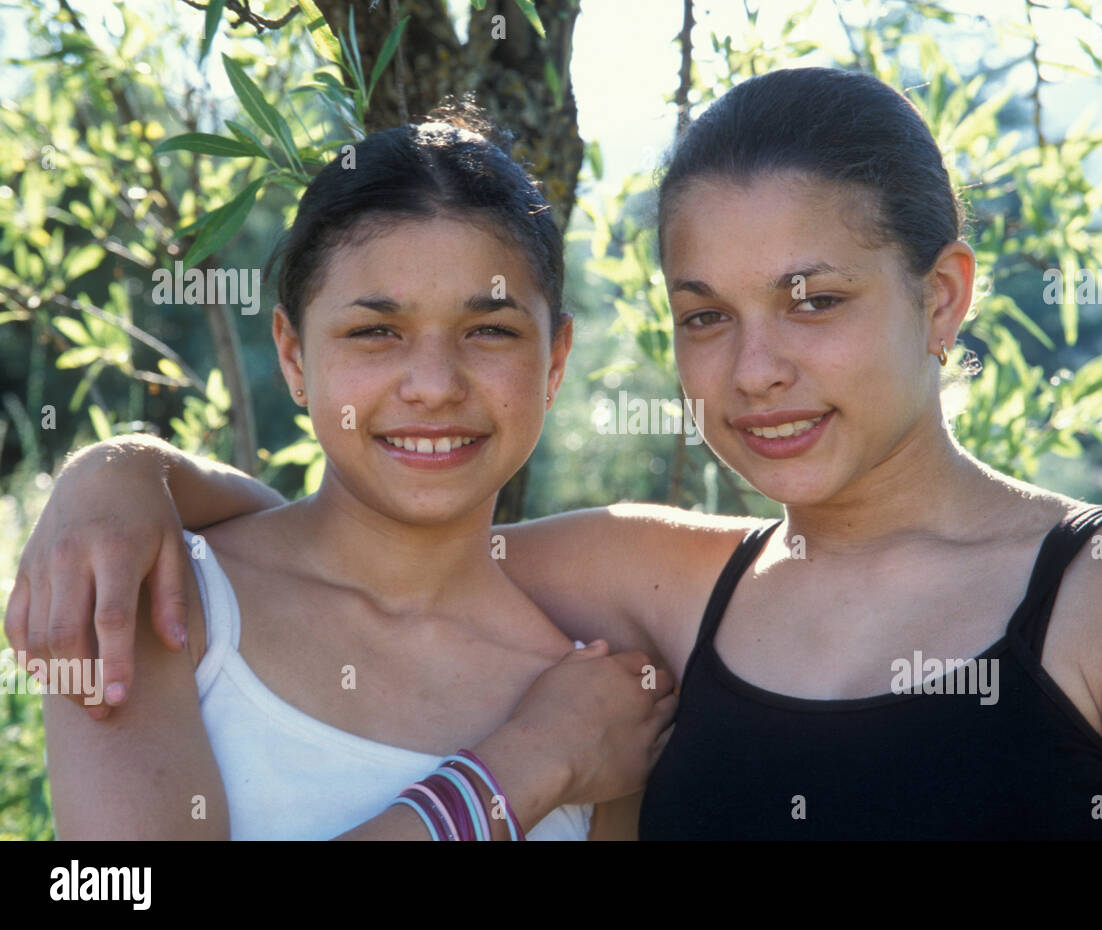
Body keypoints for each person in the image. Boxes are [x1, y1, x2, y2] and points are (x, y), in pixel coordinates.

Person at [11, 69, 1102, 839]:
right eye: (703, 318)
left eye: (814, 299)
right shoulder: (666, 589)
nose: (754, 371)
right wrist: (120, 474)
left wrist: (121, 473)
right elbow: (360, 540)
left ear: (944, 296)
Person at [25, 108, 676, 840]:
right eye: (374, 331)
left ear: (554, 363)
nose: (433, 385)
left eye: (489, 330)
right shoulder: (158, 597)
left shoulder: (600, 706)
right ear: (295, 356)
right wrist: (520, 771)